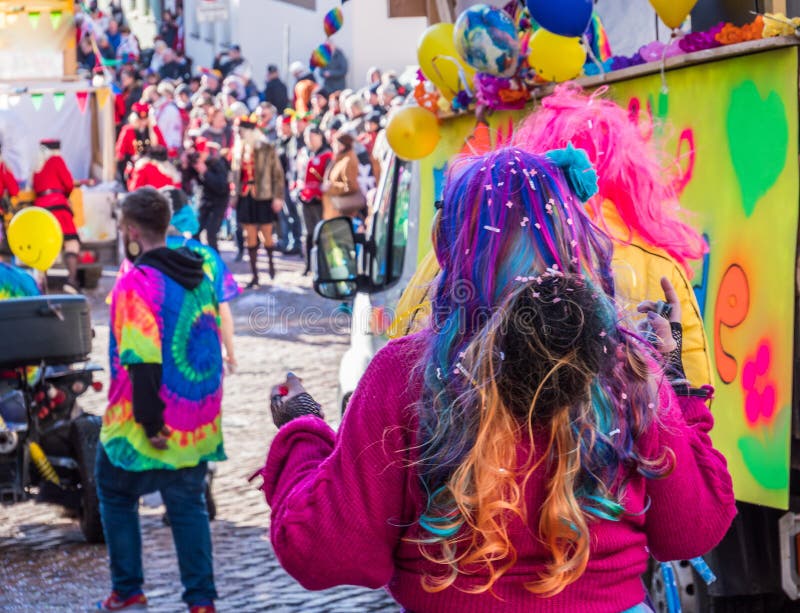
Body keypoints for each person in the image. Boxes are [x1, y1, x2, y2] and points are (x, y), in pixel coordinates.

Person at [253, 147, 736, 612]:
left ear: (454, 248)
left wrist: (305, 430)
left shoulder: (405, 373)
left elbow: (328, 551)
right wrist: (671, 379)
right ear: (572, 242)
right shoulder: (625, 368)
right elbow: (692, 529)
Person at [514, 84, 711, 385]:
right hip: (633, 430)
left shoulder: (495, 244)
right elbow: (694, 388)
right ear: (630, 170)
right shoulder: (659, 263)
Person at [95, 188, 224, 613]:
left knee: (114, 492)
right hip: (194, 417)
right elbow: (205, 340)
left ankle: (128, 588)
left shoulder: (138, 282)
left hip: (143, 420)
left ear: (131, 231)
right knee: (187, 506)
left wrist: (151, 423)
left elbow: (142, 359)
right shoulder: (199, 275)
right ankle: (201, 601)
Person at [231, 115, 285, 288]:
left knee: (267, 232)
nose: (239, 135)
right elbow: (235, 174)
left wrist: (278, 196)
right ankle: (254, 274)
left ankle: (270, 263)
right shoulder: (238, 150)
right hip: (246, 195)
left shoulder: (266, 148)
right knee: (250, 234)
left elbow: (277, 174)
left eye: (241, 132)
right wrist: (234, 194)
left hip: (264, 195)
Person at [32, 140, 80, 293]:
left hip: (41, 209)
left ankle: (41, 282)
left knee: (44, 245)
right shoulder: (56, 160)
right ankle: (72, 281)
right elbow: (69, 183)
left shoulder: (37, 166)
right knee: (71, 242)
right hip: (58, 207)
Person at [295, 127, 332, 274]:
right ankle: (308, 264)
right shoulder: (304, 153)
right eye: (306, 137)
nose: (309, 140)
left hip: (319, 200)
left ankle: (323, 267)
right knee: (308, 233)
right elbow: (298, 174)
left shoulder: (327, 154)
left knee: (321, 232)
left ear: (319, 136)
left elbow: (328, 178)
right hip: (305, 198)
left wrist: (321, 193)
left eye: (312, 137)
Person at [190, 138, 230, 252]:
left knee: (211, 234)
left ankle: (216, 263)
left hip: (218, 202)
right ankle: (197, 259)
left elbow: (222, 187)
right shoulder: (196, 164)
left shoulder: (217, 163)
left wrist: (205, 172)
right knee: (195, 231)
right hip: (205, 201)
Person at [115, 103, 167, 182]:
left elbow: (163, 145)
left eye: (145, 120)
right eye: (140, 120)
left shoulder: (154, 129)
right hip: (133, 162)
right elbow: (120, 149)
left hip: (152, 162)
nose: (143, 122)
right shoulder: (128, 130)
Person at [322, 132, 363, 220]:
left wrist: (331, 187)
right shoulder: (340, 159)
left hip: (345, 212)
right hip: (336, 209)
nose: (332, 145)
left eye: (335, 143)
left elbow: (351, 186)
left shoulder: (348, 161)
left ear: (342, 146)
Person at [153, 82, 184, 156]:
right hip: (170, 145)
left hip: (169, 146)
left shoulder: (170, 108)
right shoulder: (166, 107)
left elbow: (161, 128)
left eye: (163, 94)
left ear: (169, 95)